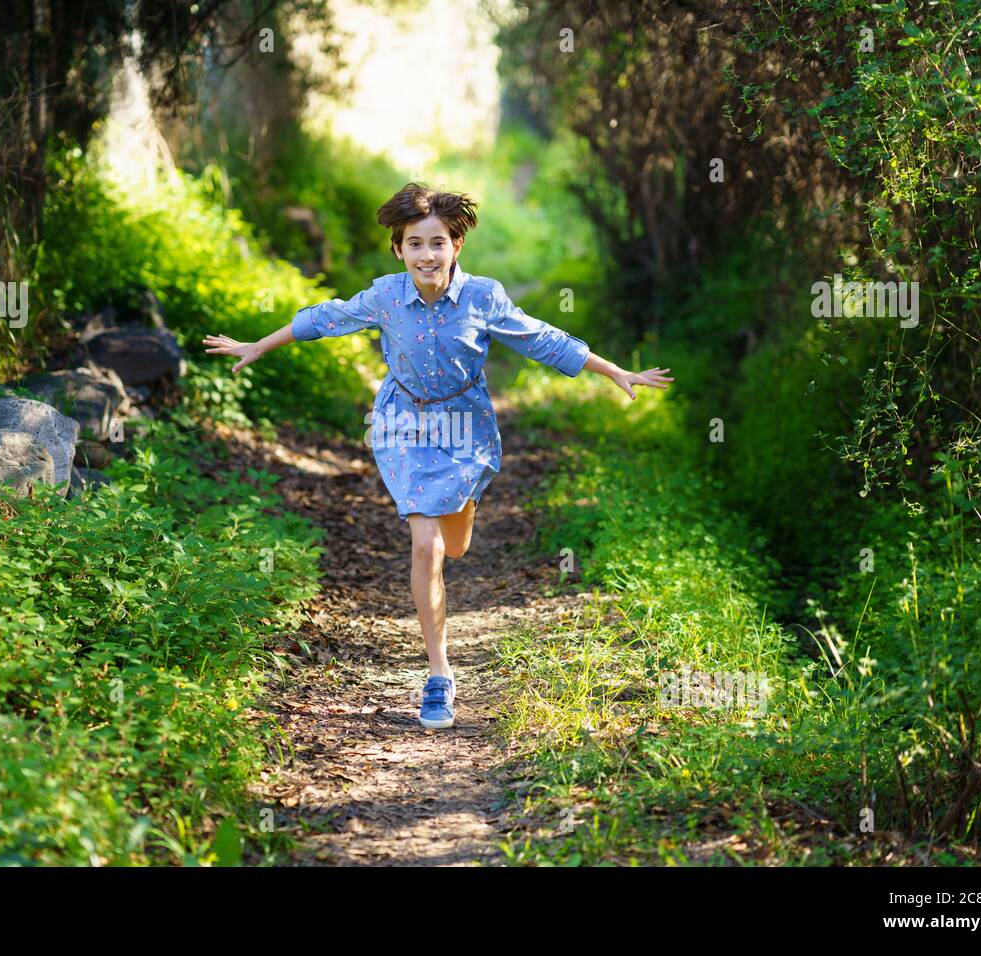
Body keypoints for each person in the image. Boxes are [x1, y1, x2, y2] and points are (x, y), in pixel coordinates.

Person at [203, 182, 672, 729]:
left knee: (457, 544)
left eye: (438, 243)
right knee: (426, 545)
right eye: (415, 244)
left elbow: (542, 338)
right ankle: (439, 674)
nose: (427, 255)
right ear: (398, 249)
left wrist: (612, 370)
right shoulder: (385, 296)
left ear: (456, 246)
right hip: (402, 423)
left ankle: (462, 506)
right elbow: (325, 318)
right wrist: (259, 344)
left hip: (465, 427)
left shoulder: (483, 298)